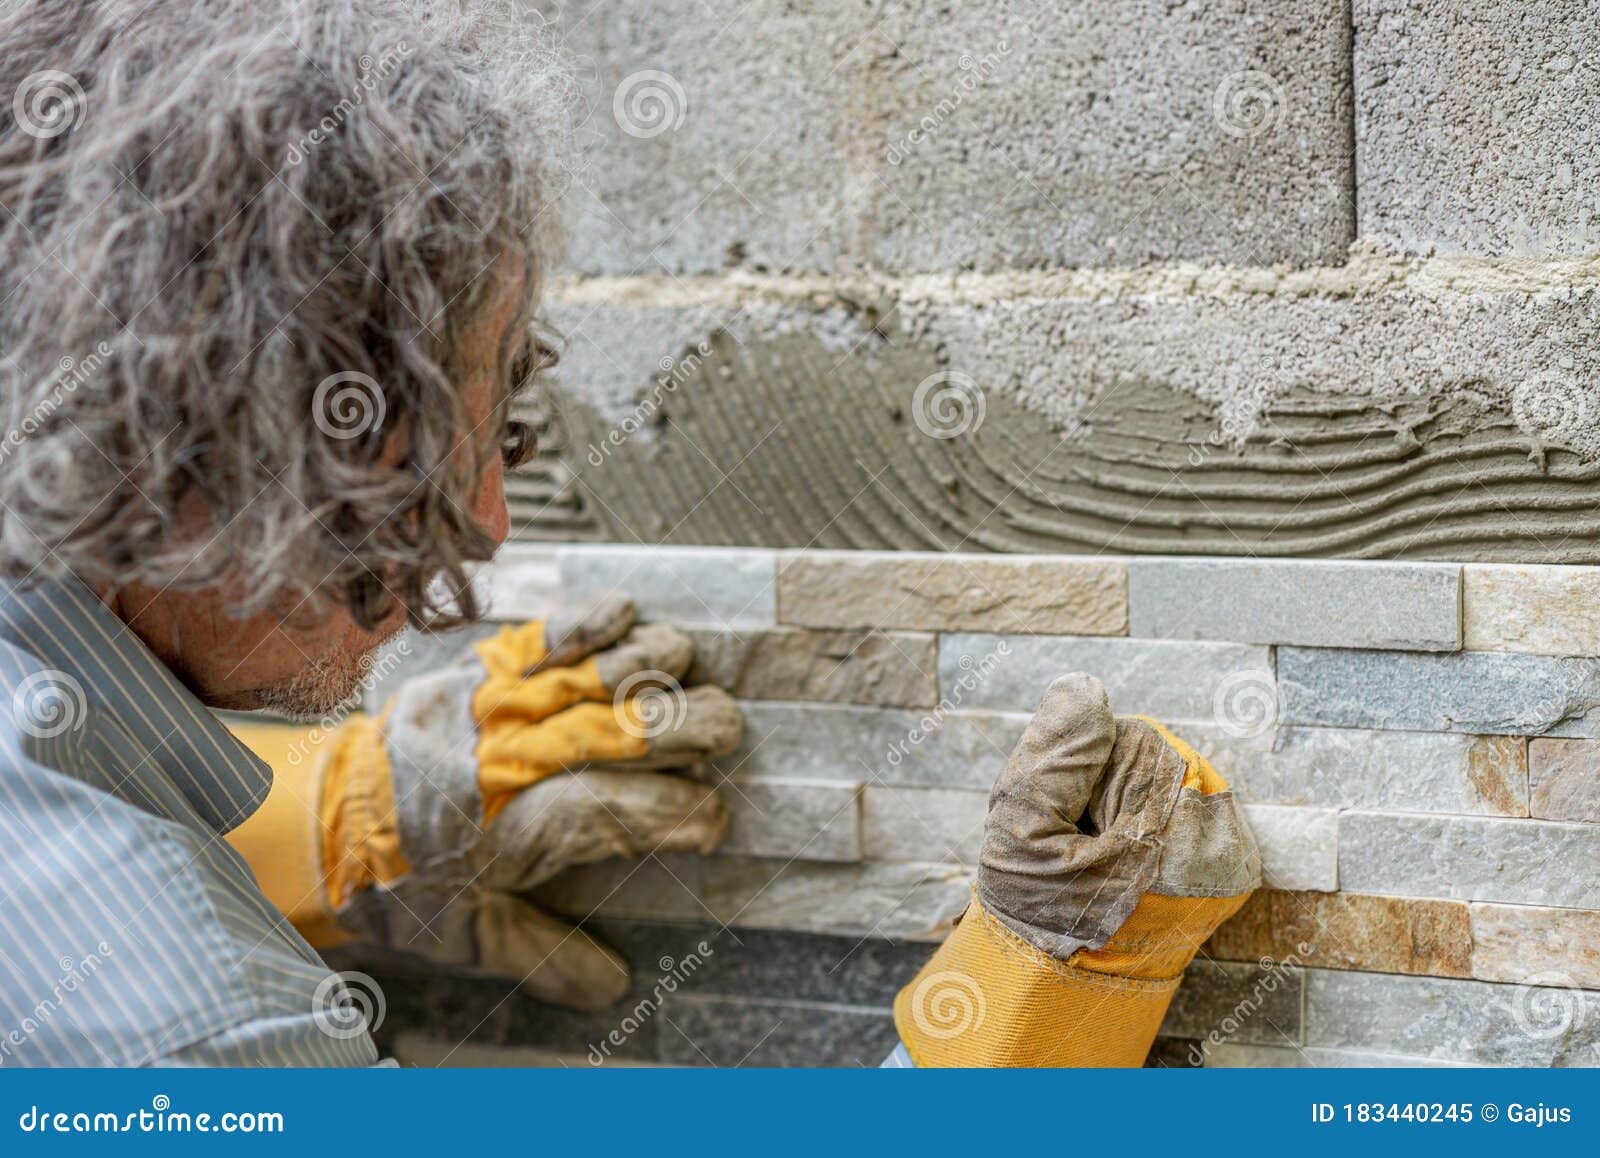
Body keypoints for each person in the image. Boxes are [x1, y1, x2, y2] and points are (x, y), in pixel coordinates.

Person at [0, 0, 1259, 1068]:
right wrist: (1027, 998)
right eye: (441, 434)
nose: (486, 524)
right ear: (211, 451)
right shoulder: (199, 1040)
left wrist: (344, 831)